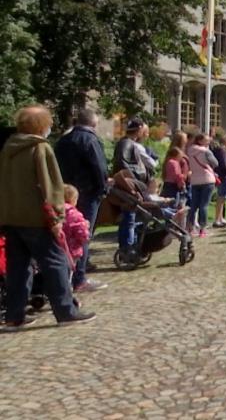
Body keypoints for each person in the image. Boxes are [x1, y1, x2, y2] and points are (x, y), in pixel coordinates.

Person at [1, 106, 96, 329]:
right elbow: (51, 185)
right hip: (36, 217)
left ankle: (14, 316)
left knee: (17, 267)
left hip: (11, 216)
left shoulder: (8, 147)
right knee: (56, 263)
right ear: (42, 125)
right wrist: (57, 217)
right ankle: (66, 311)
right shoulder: (40, 148)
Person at [53, 107, 108, 292]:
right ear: (93, 123)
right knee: (82, 233)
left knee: (66, 236)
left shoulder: (64, 140)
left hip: (66, 192)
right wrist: (103, 189)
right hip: (88, 192)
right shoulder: (90, 139)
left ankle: (67, 275)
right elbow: (99, 167)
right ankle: (79, 278)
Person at [113, 118, 150, 258]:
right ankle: (127, 248)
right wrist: (135, 178)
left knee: (134, 217)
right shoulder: (126, 144)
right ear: (139, 128)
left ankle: (132, 245)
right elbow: (123, 164)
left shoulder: (129, 143)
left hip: (131, 184)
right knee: (129, 218)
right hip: (128, 185)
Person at [186, 134, 219, 238]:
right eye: (206, 140)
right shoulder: (205, 151)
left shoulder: (189, 150)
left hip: (195, 180)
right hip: (207, 179)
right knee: (203, 205)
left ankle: (190, 227)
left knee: (194, 205)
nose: (208, 142)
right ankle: (202, 229)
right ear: (200, 141)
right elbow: (215, 163)